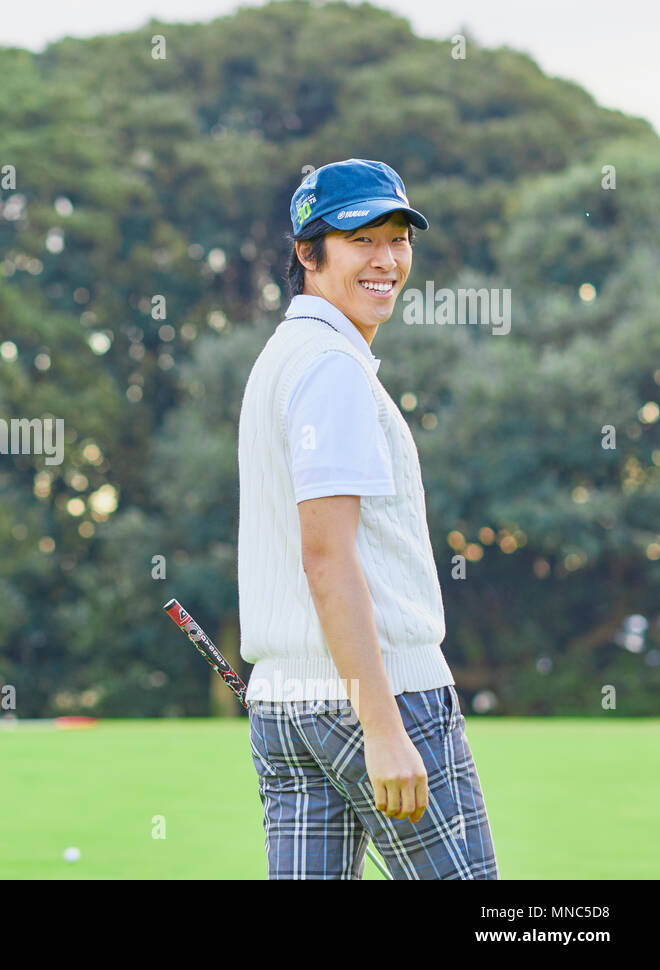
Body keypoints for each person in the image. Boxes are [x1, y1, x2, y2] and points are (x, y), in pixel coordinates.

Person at [236, 158, 499, 879]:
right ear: (307, 252)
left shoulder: (284, 356)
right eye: (361, 239)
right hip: (384, 697)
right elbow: (326, 557)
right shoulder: (327, 366)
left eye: (398, 238)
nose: (386, 260)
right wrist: (384, 730)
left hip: (287, 714)